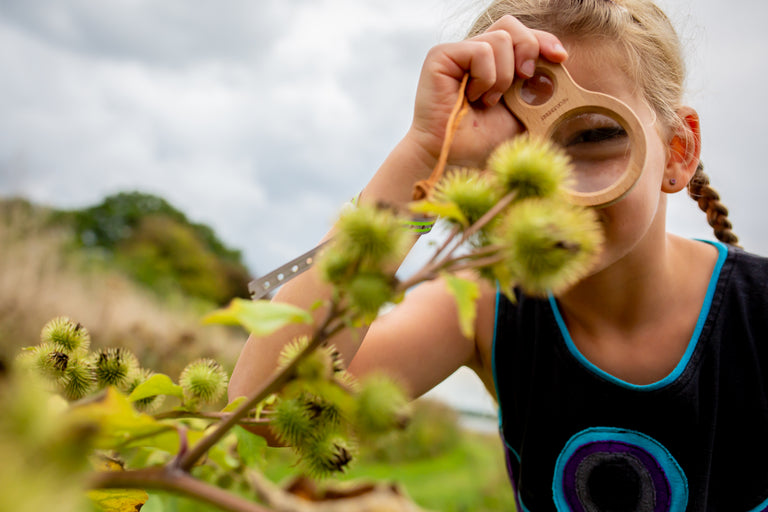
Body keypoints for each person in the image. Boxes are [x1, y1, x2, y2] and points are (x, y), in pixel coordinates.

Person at [229, 0, 768, 509]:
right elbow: (270, 411)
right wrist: (423, 159)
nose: (553, 191)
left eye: (595, 136)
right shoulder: (482, 309)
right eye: (514, 157)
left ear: (679, 150)